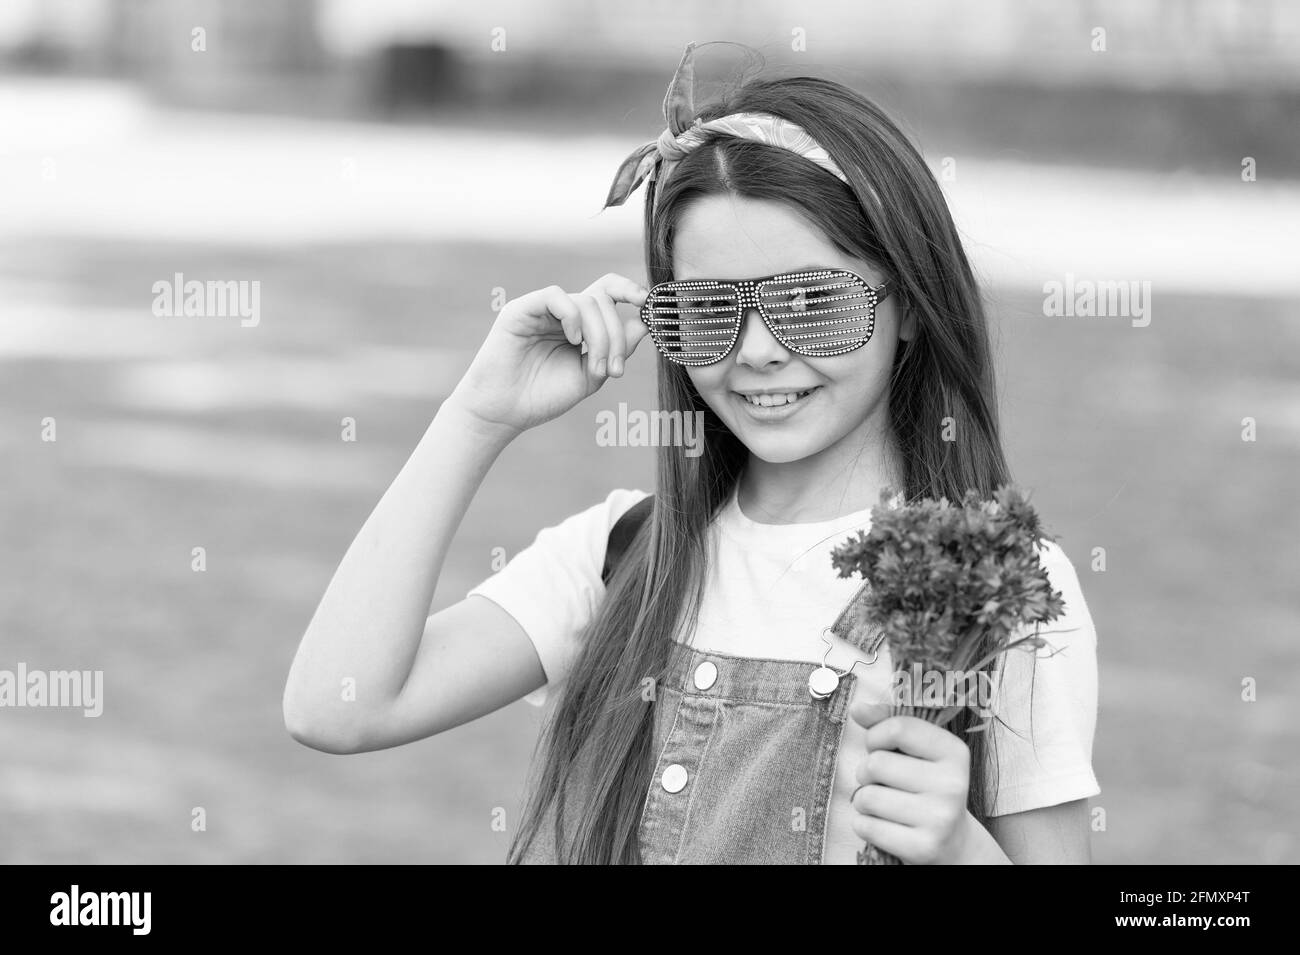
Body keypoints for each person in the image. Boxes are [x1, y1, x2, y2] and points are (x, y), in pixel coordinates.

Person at [283, 41, 1099, 865]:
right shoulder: (622, 558)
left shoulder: (989, 588)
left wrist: (959, 849)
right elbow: (337, 706)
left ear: (911, 305)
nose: (756, 351)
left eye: (811, 302)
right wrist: (478, 414)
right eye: (707, 310)